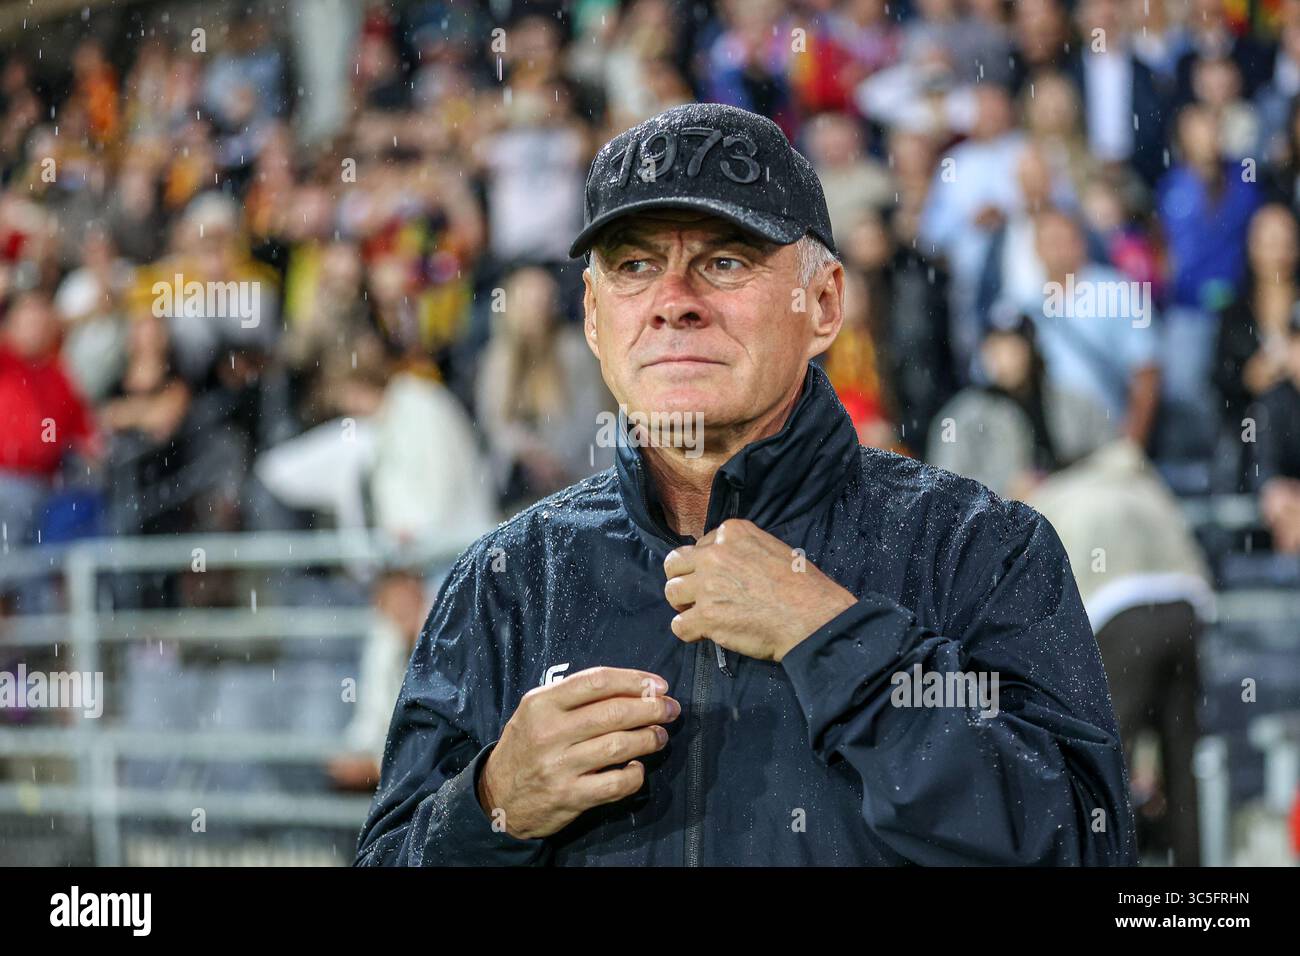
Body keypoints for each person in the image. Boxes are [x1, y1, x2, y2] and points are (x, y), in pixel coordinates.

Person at [355, 103, 1134, 867]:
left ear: (824, 303)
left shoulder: (977, 547)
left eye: (725, 261)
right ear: (594, 318)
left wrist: (838, 644)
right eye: (634, 266)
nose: (673, 303)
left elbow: (1085, 842)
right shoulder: (508, 580)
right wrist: (490, 808)